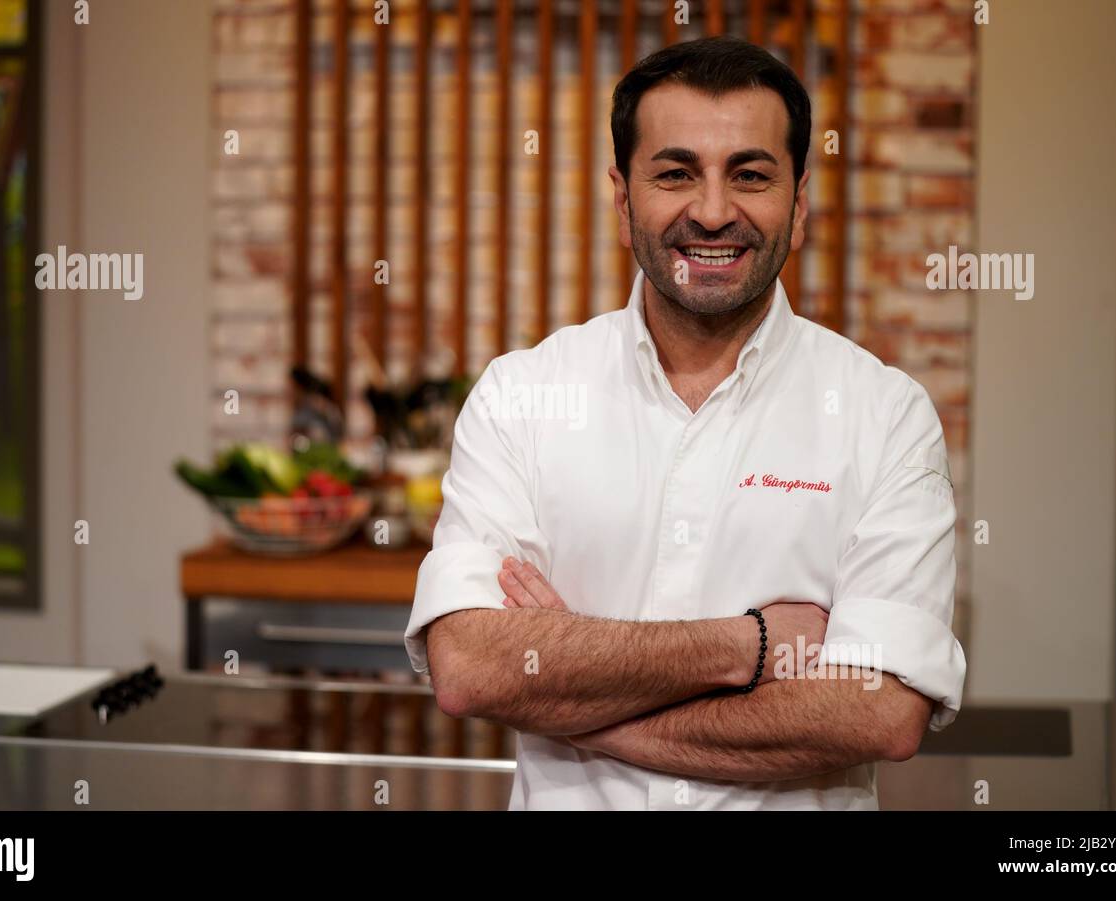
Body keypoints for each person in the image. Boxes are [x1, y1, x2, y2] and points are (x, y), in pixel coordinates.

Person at [405, 35, 966, 810]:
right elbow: (471, 665)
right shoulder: (521, 395)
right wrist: (752, 642)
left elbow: (879, 709)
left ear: (798, 205)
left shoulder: (886, 417)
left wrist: (582, 704)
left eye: (750, 174)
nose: (711, 211)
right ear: (622, 195)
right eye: (675, 173)